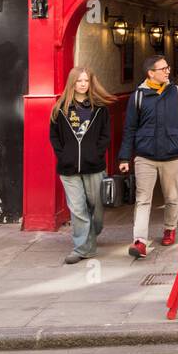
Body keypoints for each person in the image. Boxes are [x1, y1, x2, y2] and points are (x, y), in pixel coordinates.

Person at [118, 55, 178, 258]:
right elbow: (130, 128)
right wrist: (124, 157)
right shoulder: (139, 96)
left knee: (172, 196)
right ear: (151, 73)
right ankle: (140, 241)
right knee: (143, 200)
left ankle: (170, 228)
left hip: (171, 155)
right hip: (145, 156)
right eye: (163, 69)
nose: (168, 71)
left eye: (168, 67)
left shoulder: (177, 92)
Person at [49, 67, 115, 265]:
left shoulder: (100, 109)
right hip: (68, 169)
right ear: (72, 83)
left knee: (96, 208)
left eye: (86, 80)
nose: (83, 84)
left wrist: (96, 153)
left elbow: (105, 136)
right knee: (78, 209)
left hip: (94, 166)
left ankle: (91, 234)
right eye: (79, 81)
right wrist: (63, 156)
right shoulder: (60, 108)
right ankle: (82, 249)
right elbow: (54, 137)